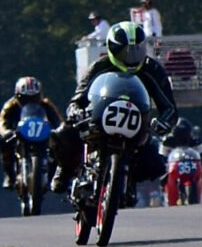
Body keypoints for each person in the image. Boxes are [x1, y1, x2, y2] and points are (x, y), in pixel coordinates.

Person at [50, 21, 179, 194]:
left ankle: (129, 179)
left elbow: (170, 107)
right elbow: (77, 99)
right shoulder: (98, 66)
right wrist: (76, 111)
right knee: (63, 133)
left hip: (137, 123)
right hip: (99, 117)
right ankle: (64, 168)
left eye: (136, 51)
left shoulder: (153, 69)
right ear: (113, 48)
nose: (131, 57)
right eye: (125, 51)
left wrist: (164, 122)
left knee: (155, 165)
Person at [0, 76, 63, 189]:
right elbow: (2, 122)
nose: (30, 102)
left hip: (43, 135)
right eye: (26, 99)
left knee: (60, 146)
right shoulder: (10, 106)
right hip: (19, 134)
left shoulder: (46, 104)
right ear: (18, 97)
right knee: (4, 143)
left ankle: (58, 176)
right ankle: (9, 176)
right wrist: (7, 132)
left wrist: (59, 132)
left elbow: (59, 122)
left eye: (34, 98)